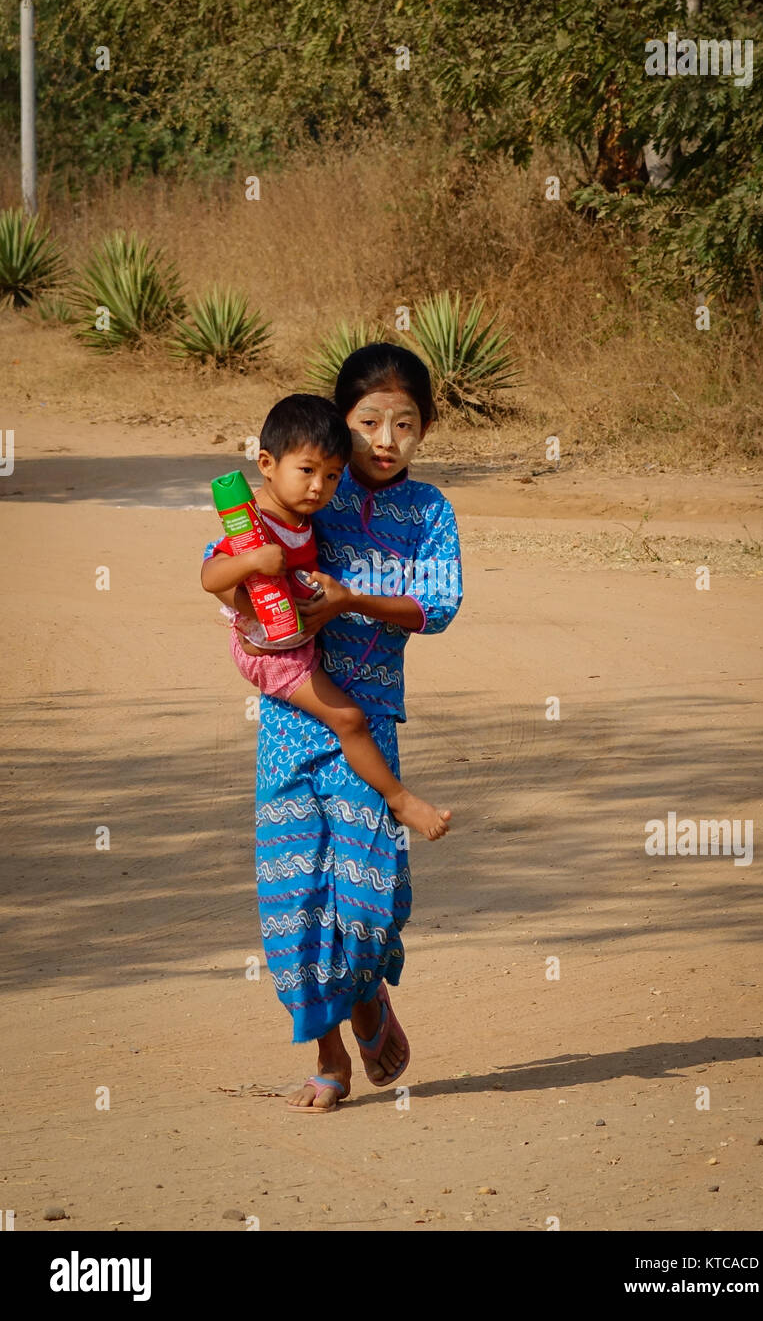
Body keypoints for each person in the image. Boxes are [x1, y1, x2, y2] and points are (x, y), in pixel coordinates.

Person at [202, 344, 463, 1112]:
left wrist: (351, 602)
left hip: (367, 717)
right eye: (370, 422)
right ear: (341, 425)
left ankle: (367, 1000)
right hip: (287, 718)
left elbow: (437, 607)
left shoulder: (429, 512)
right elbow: (227, 561)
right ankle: (329, 1058)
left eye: (406, 424)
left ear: (426, 430)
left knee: (364, 894)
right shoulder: (315, 482)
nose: (386, 440)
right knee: (297, 898)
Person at [202, 393, 451, 841]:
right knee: (349, 720)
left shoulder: (301, 514)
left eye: (332, 475)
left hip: (291, 641)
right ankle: (399, 799)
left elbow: (439, 608)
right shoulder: (255, 522)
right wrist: (255, 563)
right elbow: (210, 575)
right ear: (265, 463)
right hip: (274, 654)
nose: (320, 487)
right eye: (307, 471)